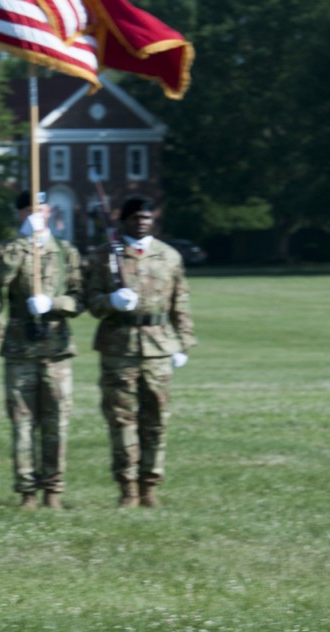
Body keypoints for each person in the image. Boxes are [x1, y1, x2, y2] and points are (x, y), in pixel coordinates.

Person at [85, 196, 197, 508]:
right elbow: (91, 302)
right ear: (124, 220)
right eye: (135, 217)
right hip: (118, 347)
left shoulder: (169, 256)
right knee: (122, 420)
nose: (141, 222)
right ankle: (127, 488)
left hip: (159, 347)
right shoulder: (105, 255)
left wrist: (183, 343)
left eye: (146, 217)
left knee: (156, 418)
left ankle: (150, 485)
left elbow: (181, 302)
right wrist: (111, 301)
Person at [0, 190, 86, 509]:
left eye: (41, 209)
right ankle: (27, 491)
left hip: (56, 349)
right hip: (20, 348)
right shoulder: (8, 250)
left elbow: (80, 299)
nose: (36, 214)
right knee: (22, 423)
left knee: (56, 422)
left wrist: (53, 302)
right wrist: (23, 244)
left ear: (49, 212)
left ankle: (53, 489)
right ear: (20, 215)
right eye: (29, 210)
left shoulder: (65, 252)